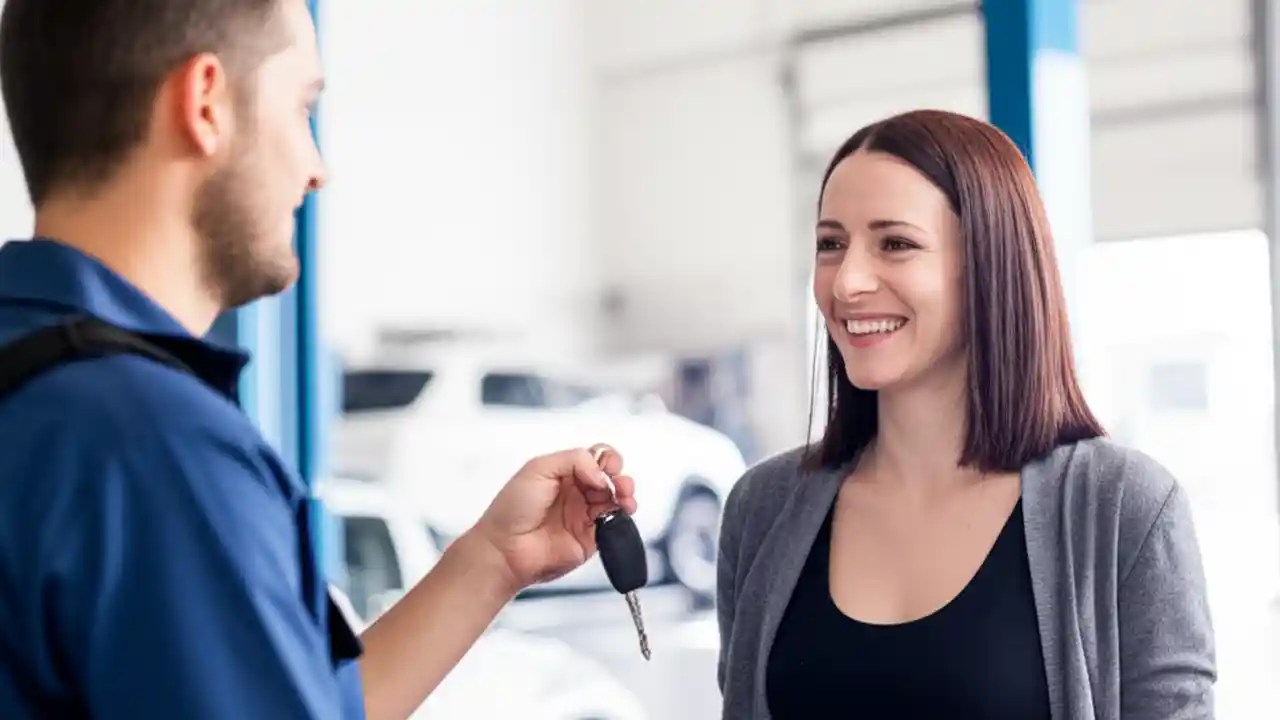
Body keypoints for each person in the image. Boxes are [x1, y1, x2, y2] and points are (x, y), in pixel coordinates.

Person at [0, 2, 637, 718]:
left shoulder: (38, 384)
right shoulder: (153, 446)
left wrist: (492, 560)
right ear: (205, 102)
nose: (316, 169)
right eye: (302, 107)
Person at [716, 110, 1216, 719]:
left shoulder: (1122, 505)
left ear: (989, 262)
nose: (847, 282)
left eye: (895, 244)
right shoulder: (762, 507)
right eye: (831, 244)